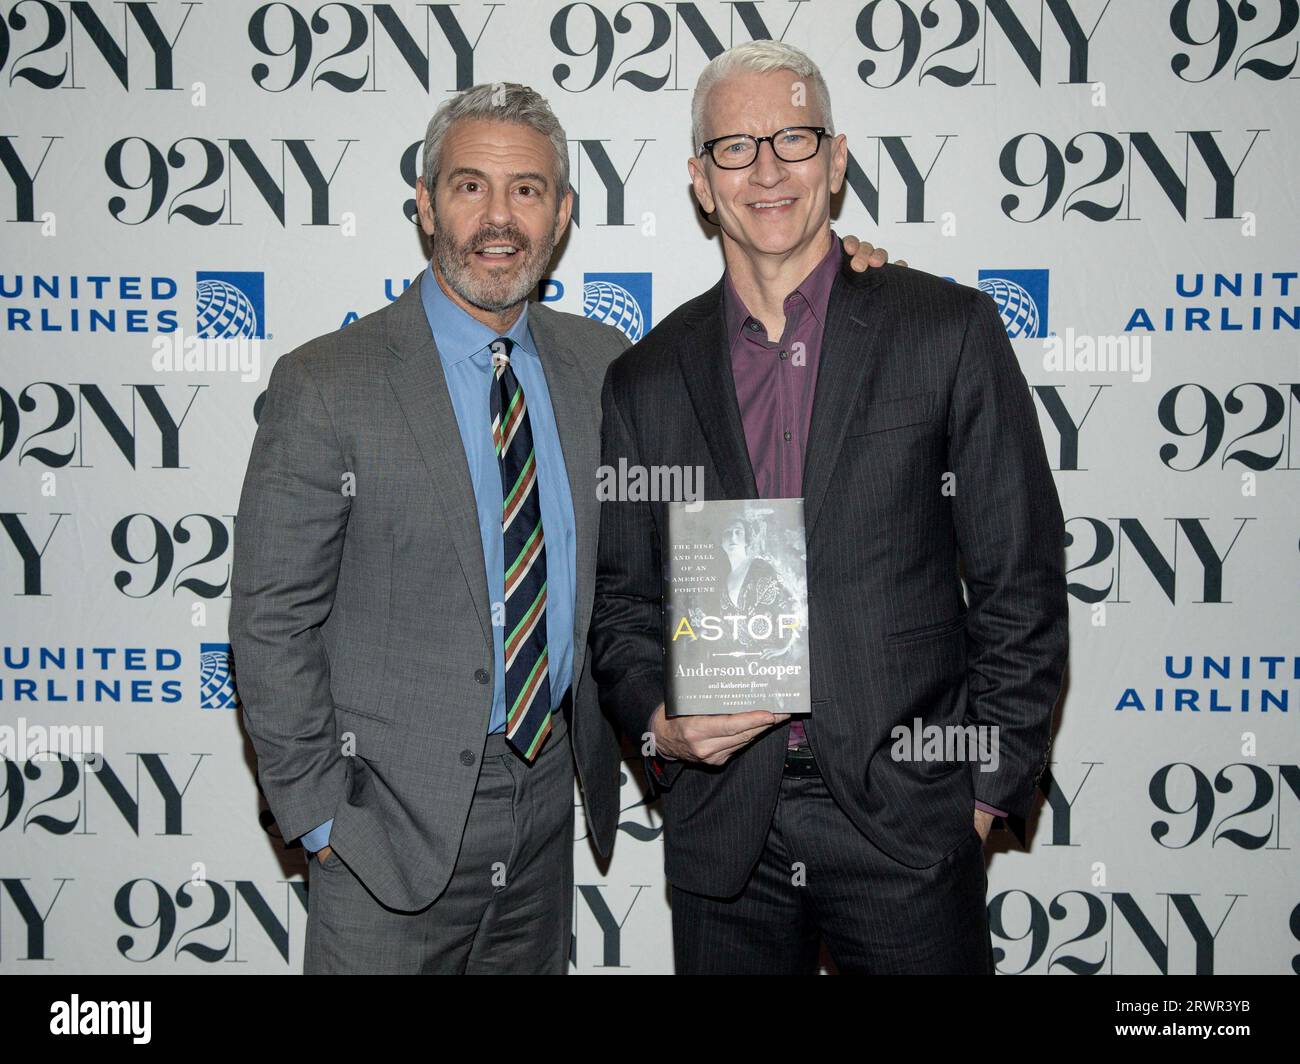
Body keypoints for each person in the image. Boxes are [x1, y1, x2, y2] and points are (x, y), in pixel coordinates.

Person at [229, 81, 894, 974]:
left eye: (529, 191)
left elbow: (665, 561)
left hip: (548, 811)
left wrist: (842, 282)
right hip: (379, 830)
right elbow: (270, 622)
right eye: (470, 187)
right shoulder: (327, 382)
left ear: (564, 214)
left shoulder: (609, 369)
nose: (498, 219)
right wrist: (320, 816)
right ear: (425, 205)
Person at [590, 41, 1069, 974]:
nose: (767, 169)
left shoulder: (945, 331)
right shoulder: (644, 381)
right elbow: (621, 605)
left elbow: (1021, 580)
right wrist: (657, 721)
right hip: (725, 829)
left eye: (794, 138)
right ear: (699, 180)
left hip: (910, 824)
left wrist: (979, 793)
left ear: (837, 159)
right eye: (735, 147)